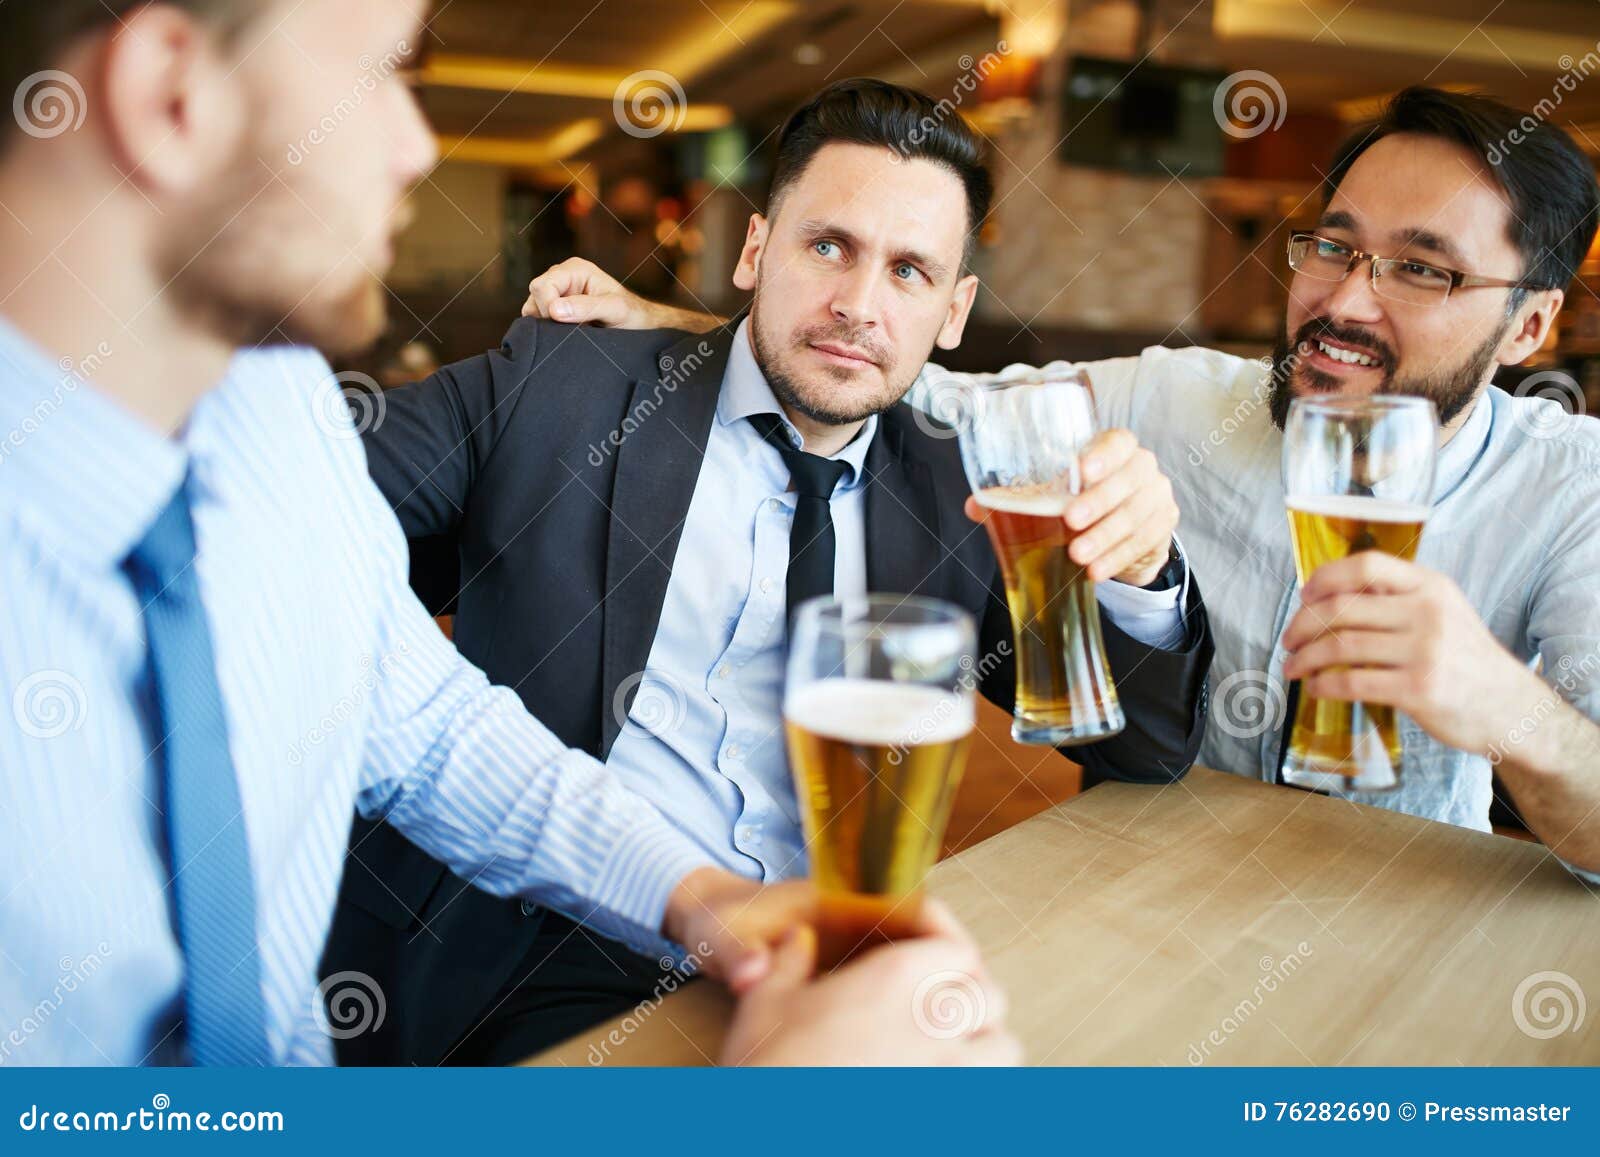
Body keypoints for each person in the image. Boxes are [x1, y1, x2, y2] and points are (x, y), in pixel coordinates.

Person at [0, 0, 1017, 1067]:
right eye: (384, 75)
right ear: (169, 95)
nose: (418, 147)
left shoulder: (276, 404)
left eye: (910, 270)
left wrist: (701, 898)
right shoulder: (549, 392)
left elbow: (430, 728)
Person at [324, 78, 1213, 1065]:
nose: (858, 304)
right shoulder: (556, 392)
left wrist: (1139, 571)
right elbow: (292, 508)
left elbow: (1140, 750)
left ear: (954, 310)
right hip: (547, 949)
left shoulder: (966, 490)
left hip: (823, 951)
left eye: (910, 271)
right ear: (756, 251)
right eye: (828, 245)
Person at [527, 85, 1600, 883]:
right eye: (1333, 246)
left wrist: (1509, 707)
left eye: (1421, 268)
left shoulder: (1571, 487)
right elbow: (939, 395)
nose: (1346, 301)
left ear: (1534, 323)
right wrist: (687, 329)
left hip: (1407, 911)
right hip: (1144, 886)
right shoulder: (1180, 398)